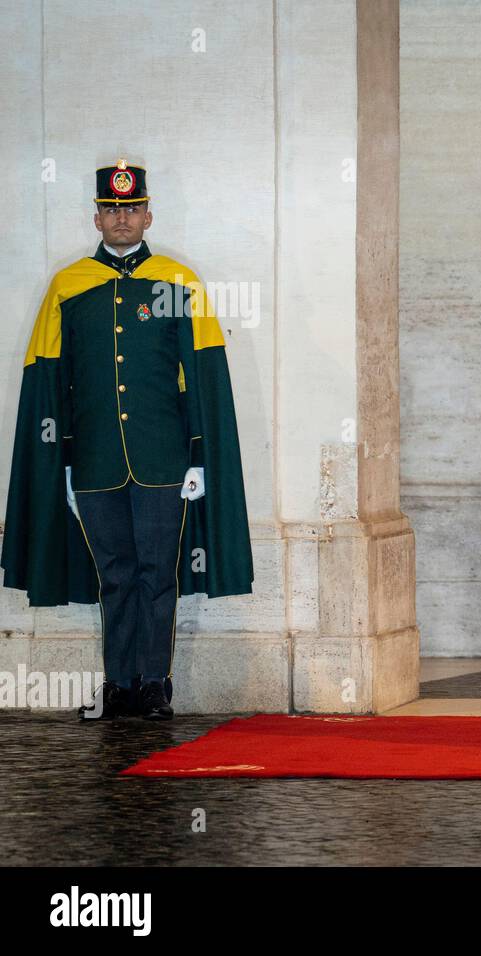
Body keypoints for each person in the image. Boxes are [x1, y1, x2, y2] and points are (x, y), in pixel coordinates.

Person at [1, 159, 254, 721]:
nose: (122, 220)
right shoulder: (67, 286)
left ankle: (154, 685)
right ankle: (118, 684)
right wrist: (63, 460)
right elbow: (52, 379)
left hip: (164, 461)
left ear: (148, 215)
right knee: (113, 575)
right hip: (93, 463)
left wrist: (199, 456)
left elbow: (200, 371)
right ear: (97, 218)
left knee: (157, 573)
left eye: (132, 209)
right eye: (112, 211)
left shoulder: (177, 280)